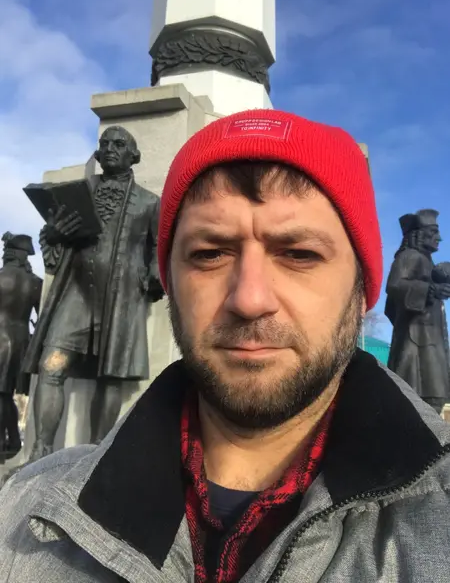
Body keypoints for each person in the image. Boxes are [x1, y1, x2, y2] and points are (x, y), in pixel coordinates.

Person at [1, 109, 450, 582]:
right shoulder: (23, 509)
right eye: (210, 253)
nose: (250, 299)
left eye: (299, 254)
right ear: (171, 281)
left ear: (362, 291)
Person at [21, 125, 163, 462]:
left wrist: (155, 272)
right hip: (75, 292)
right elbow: (53, 242)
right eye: (105, 143)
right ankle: (41, 451)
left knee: (111, 375)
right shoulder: (78, 194)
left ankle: (97, 453)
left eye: (119, 144)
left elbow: (159, 245)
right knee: (51, 364)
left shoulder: (149, 202)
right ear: (98, 152)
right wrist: (54, 234)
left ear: (133, 156)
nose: (110, 148)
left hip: (122, 295)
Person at [385, 210, 450, 413]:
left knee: (433, 399)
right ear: (419, 234)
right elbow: (394, 286)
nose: (439, 237)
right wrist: (429, 290)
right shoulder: (409, 256)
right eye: (433, 231)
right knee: (416, 398)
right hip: (416, 342)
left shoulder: (427, 261)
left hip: (430, 340)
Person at [0, 233, 42, 460]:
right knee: (5, 394)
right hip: (20, 342)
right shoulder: (35, 283)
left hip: (1, 340)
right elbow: (42, 317)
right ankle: (14, 440)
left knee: (2, 395)